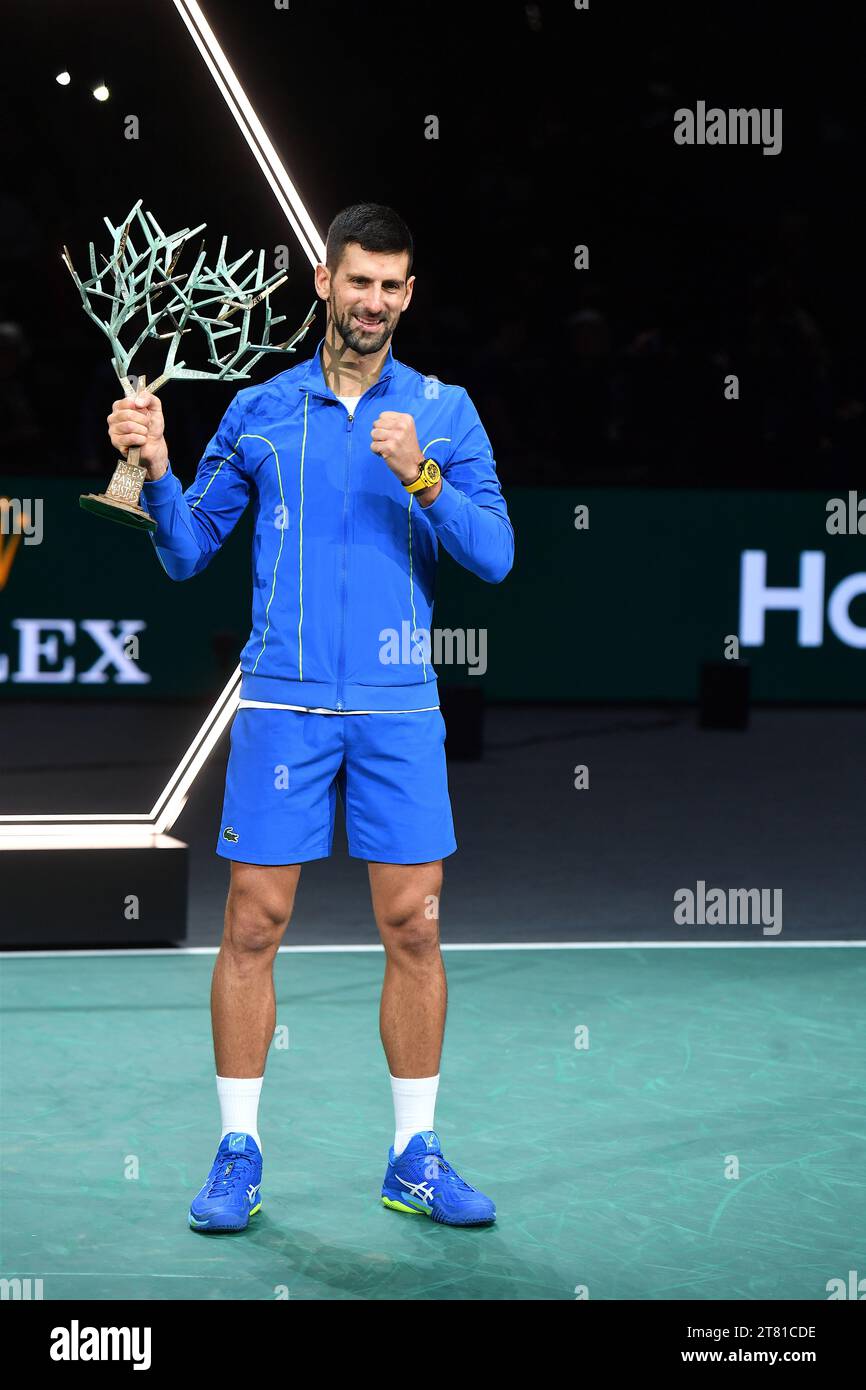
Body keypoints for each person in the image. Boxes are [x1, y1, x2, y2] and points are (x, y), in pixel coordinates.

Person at [107, 203, 514, 1231]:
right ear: (323, 282)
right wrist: (155, 469)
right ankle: (237, 1152)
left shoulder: (443, 412)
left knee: (411, 926)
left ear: (407, 295)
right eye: (357, 280)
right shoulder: (258, 410)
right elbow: (188, 551)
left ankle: (412, 1158)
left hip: (397, 707)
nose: (373, 300)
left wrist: (418, 473)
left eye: (392, 284)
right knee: (253, 923)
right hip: (283, 704)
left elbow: (496, 556)